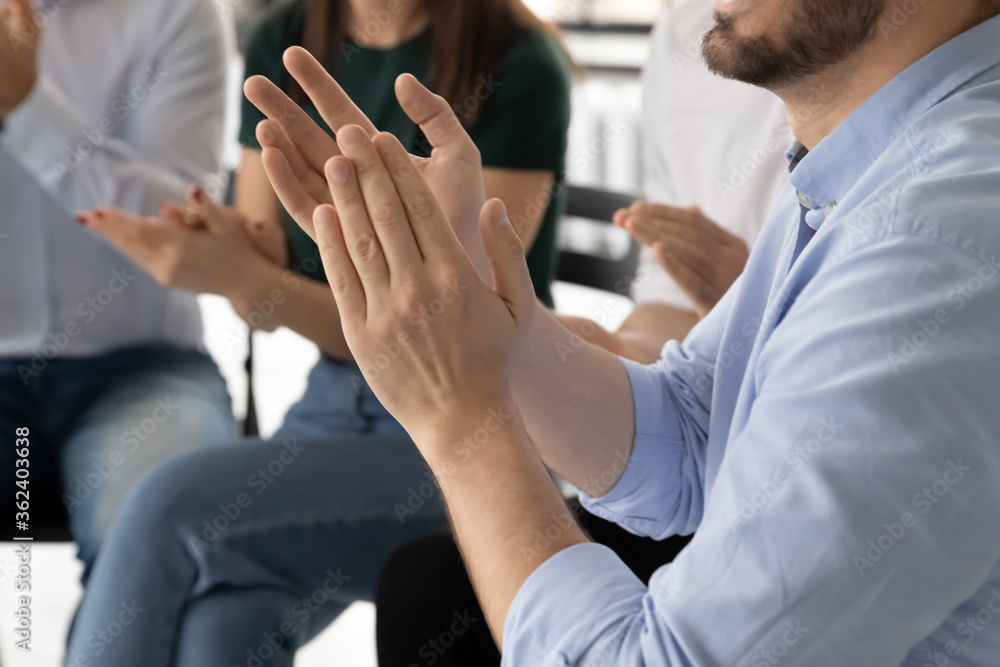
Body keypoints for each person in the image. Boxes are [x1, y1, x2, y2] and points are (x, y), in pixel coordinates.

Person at [243, 0, 1000, 664]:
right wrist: (467, 300)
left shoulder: (934, 239)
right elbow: (694, 428)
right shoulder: (875, 163)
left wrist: (460, 414)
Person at [65, 1, 572, 665]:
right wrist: (223, 260)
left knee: (168, 503)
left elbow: (438, 335)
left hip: (466, 423)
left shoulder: (520, 64)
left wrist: (244, 281)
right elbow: (264, 278)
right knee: (223, 626)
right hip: (332, 405)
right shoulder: (285, 39)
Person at [373, 1, 792, 663]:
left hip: (772, 461)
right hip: (716, 430)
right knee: (425, 586)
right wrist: (490, 320)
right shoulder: (697, 30)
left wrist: (459, 412)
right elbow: (675, 366)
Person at [0, 0, 234, 583]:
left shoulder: (176, 12)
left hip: (142, 369)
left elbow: (182, 228)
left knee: (165, 539)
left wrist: (29, 108)